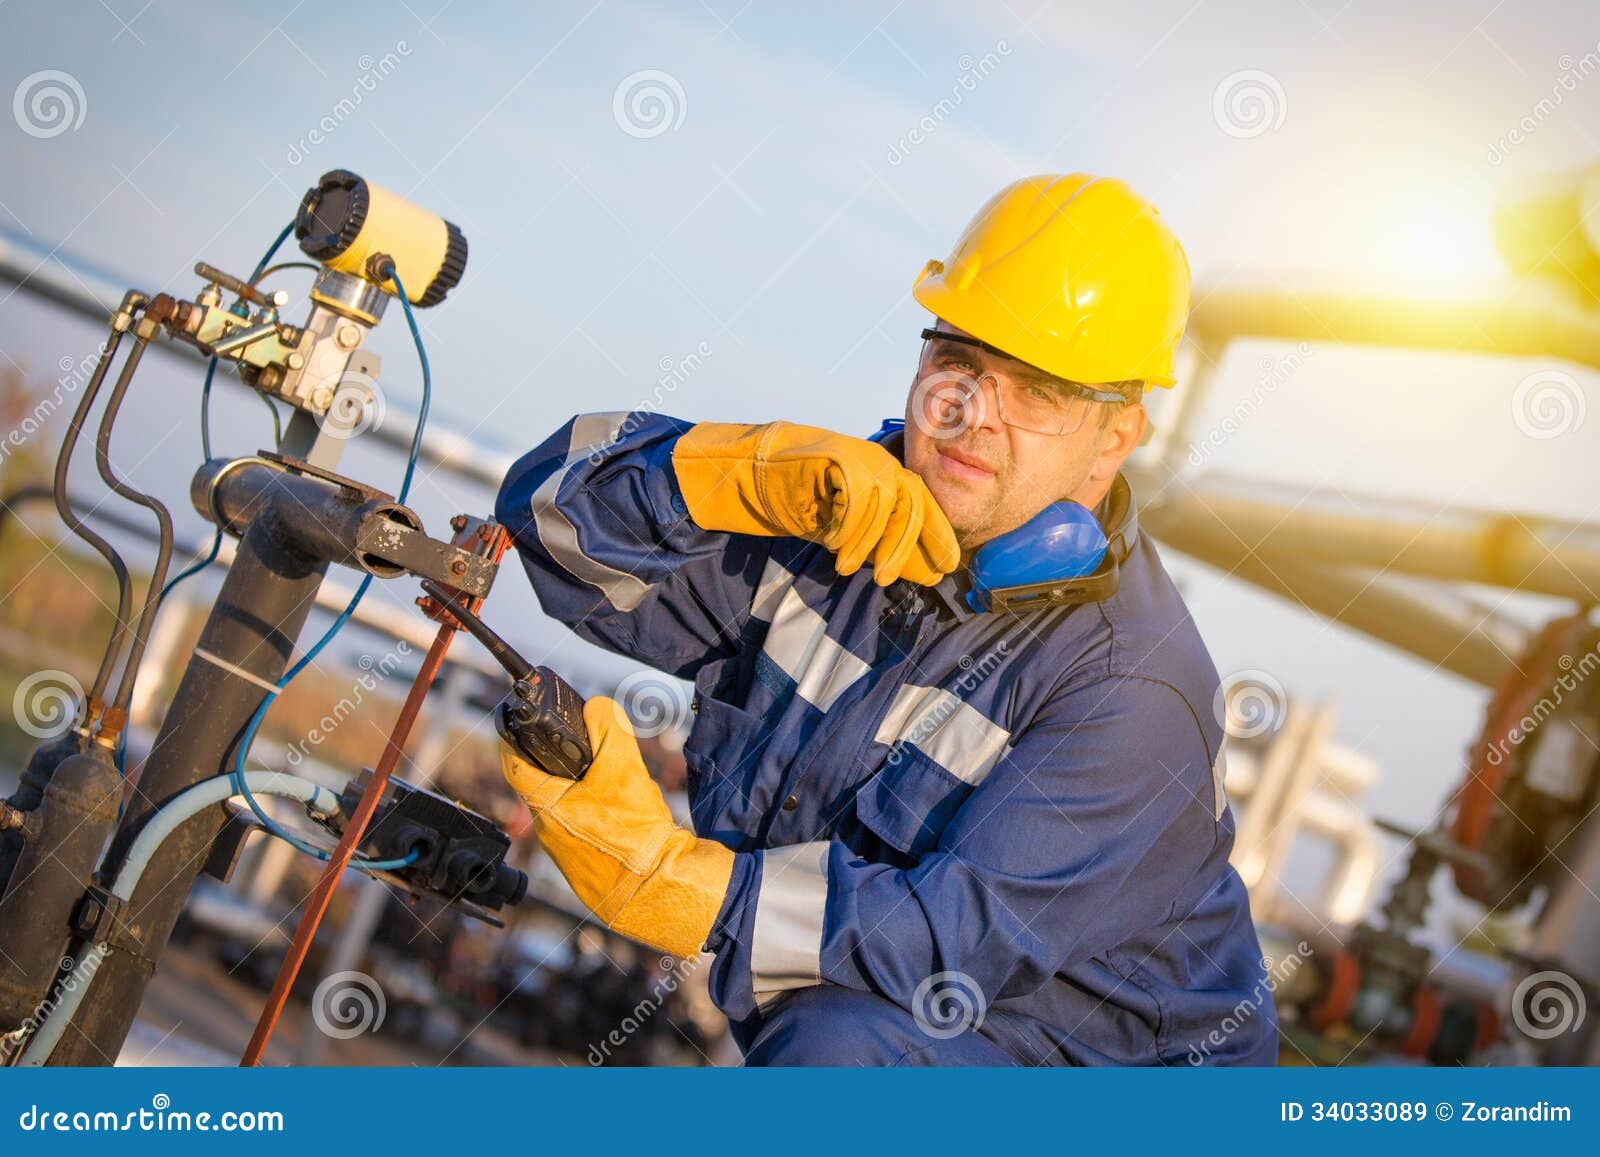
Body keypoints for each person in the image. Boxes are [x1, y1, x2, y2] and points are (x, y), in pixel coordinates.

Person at [494, 174, 1276, 1066]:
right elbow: (544, 526)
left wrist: (683, 887)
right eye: (959, 364)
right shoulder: (821, 515)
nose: (973, 417)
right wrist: (718, 473)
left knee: (838, 1049)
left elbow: (947, 945)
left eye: (1039, 393)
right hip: (904, 1041)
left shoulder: (1133, 688)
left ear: (1116, 436)